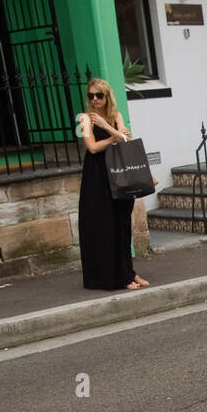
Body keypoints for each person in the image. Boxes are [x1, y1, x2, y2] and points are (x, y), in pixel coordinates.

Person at [78, 77, 148, 291]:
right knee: (103, 224)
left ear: (107, 97)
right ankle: (114, 277)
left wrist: (108, 127)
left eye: (99, 95)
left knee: (122, 224)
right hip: (97, 175)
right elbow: (92, 147)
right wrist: (113, 137)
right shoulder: (84, 119)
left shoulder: (115, 115)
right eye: (91, 96)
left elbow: (127, 140)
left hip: (118, 173)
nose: (95, 100)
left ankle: (129, 272)